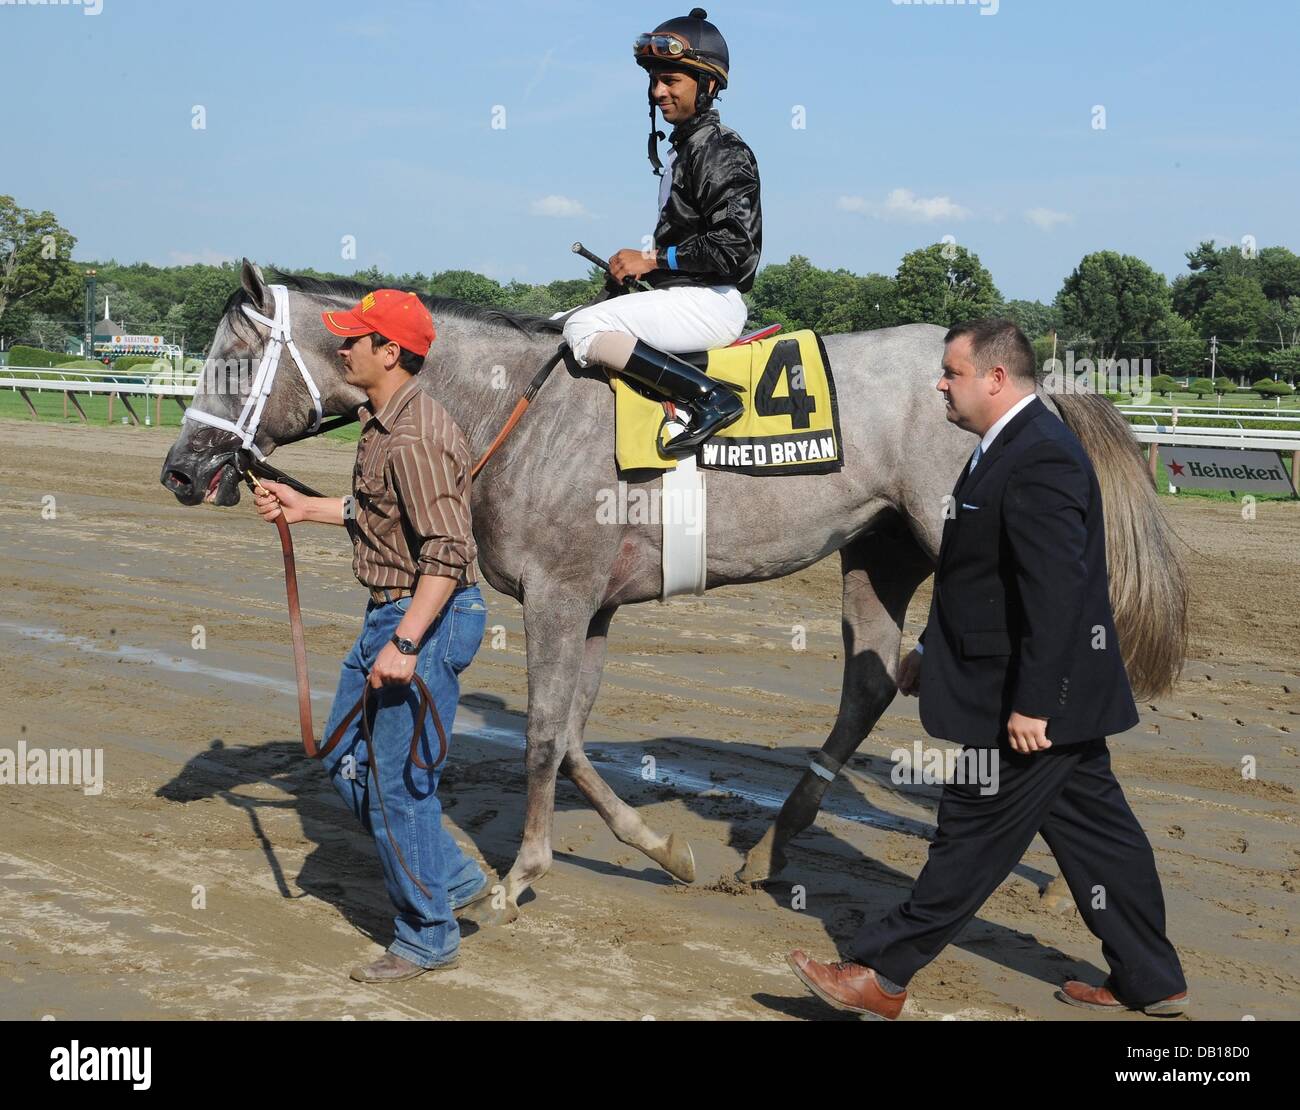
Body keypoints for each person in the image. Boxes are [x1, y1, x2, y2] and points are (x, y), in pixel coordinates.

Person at [787, 319, 1189, 1019]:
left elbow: (1055, 596)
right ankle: (1152, 977)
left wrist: (1036, 704)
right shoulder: (999, 447)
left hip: (1031, 698)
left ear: (996, 378)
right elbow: (977, 575)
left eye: (951, 373)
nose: (940, 383)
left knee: (968, 835)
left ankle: (881, 974)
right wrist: (927, 650)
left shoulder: (1041, 457)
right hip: (1044, 691)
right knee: (1100, 837)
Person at [252, 289, 490, 983]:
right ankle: (448, 876)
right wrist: (305, 507)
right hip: (395, 611)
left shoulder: (414, 434)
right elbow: (380, 510)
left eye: (355, 340)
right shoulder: (387, 421)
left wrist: (408, 643)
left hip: (423, 617)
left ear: (390, 353)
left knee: (398, 787)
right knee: (339, 756)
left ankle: (426, 937)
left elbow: (447, 550)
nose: (342, 348)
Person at [561, 7, 762, 456]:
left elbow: (734, 249)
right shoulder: (684, 150)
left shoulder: (721, 150)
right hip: (684, 297)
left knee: (583, 326)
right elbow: (687, 241)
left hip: (711, 305)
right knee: (554, 324)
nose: (657, 92)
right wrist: (637, 271)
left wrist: (652, 259)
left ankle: (711, 397)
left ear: (707, 86)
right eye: (654, 80)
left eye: (670, 81)